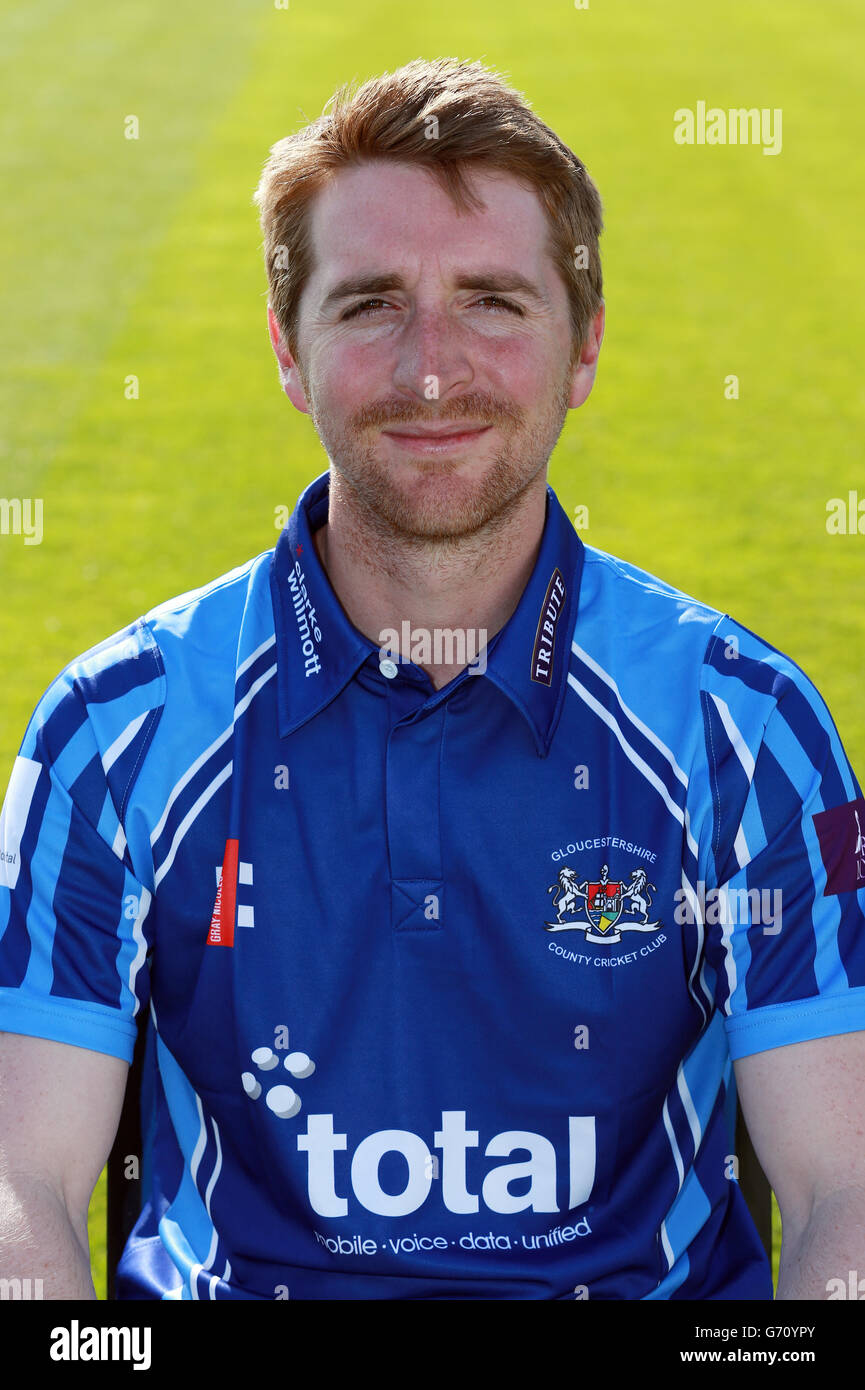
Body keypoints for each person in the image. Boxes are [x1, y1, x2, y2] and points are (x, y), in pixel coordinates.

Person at [1, 56, 864, 1302]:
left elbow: (843, 1190)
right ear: (288, 354)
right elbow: (22, 1189)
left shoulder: (744, 731)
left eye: (492, 303)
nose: (429, 372)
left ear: (583, 350)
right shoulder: (112, 735)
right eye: (369, 306)